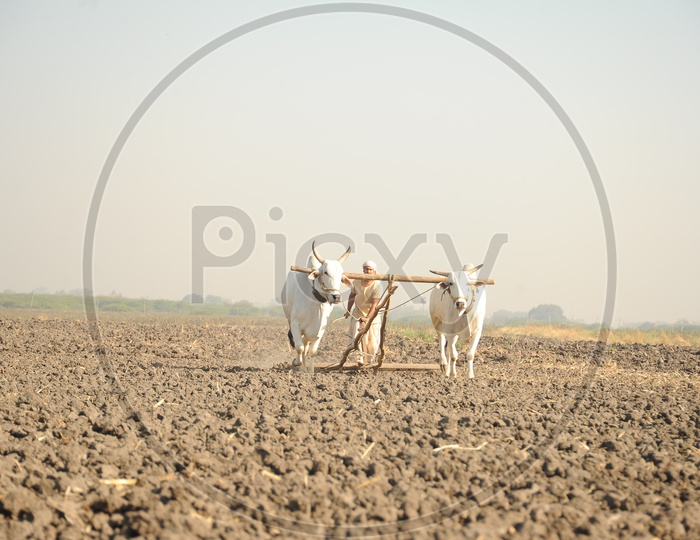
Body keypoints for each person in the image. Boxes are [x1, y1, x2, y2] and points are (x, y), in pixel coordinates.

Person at [345, 260, 383, 366]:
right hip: (358, 313)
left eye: (370, 269)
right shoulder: (357, 281)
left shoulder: (377, 285)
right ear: (363, 270)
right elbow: (352, 296)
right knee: (356, 335)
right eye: (366, 269)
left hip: (373, 315)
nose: (368, 271)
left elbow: (374, 305)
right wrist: (348, 310)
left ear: (374, 272)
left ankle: (370, 361)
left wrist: (368, 318)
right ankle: (359, 359)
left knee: (373, 341)